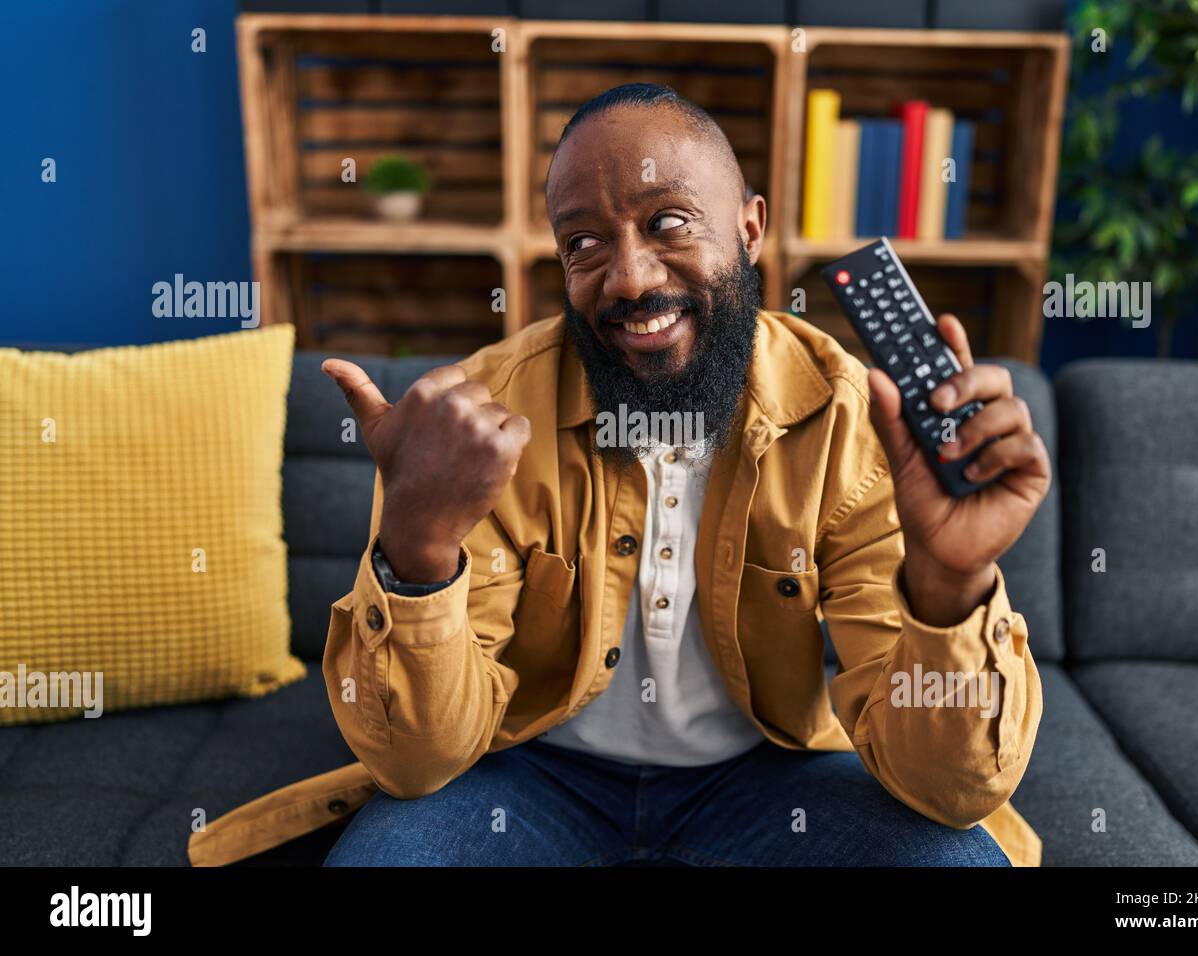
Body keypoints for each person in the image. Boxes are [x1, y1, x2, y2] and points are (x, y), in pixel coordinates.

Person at [317, 83, 1051, 867]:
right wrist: (418, 551)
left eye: (667, 221)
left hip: (771, 775)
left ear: (749, 227)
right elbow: (419, 762)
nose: (629, 279)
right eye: (585, 244)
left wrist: (949, 583)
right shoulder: (477, 424)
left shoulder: (848, 419)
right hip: (528, 769)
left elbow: (950, 790)